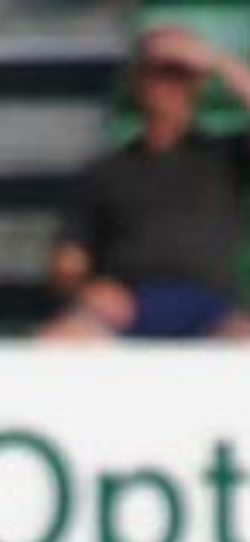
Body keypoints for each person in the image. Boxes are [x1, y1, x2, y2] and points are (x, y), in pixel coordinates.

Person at [42, 23, 250, 340]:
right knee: (60, 344)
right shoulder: (104, 171)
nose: (171, 87)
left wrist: (213, 60)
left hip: (211, 309)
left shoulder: (225, 156)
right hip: (127, 306)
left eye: (182, 76)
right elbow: (67, 262)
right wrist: (88, 289)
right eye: (160, 74)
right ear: (138, 82)